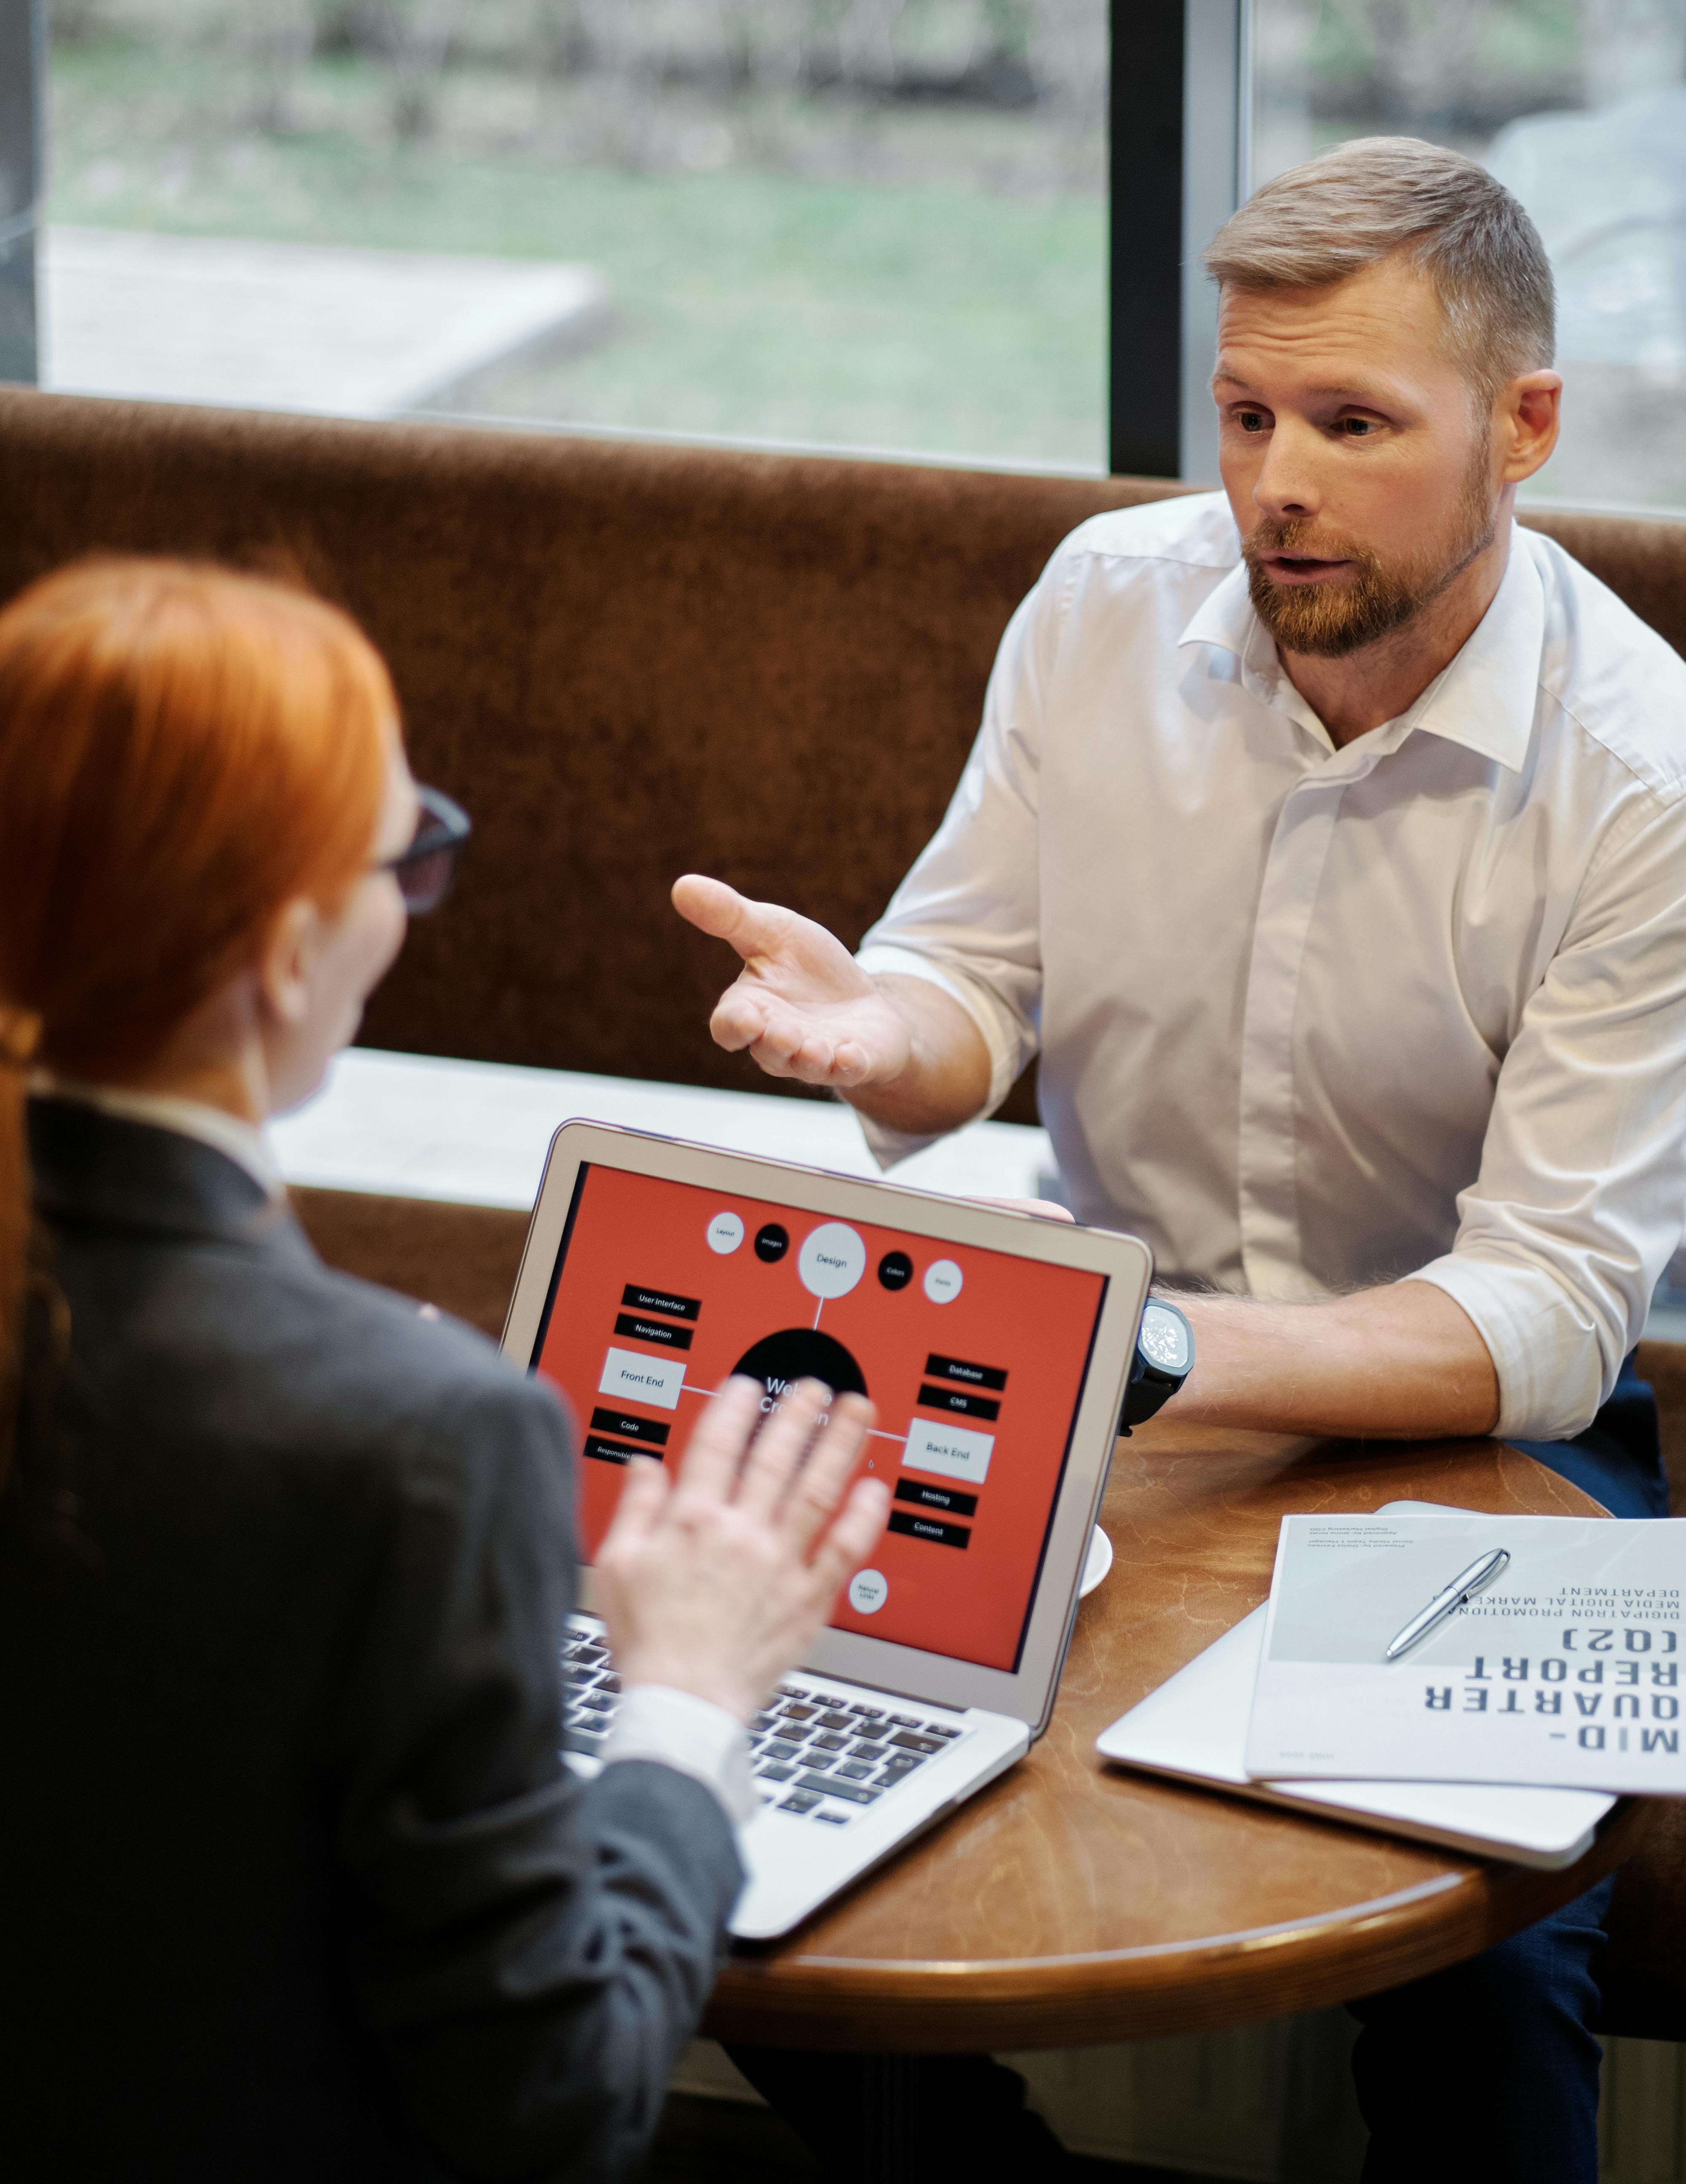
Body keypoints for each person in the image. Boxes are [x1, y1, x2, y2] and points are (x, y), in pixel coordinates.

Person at [674, 138, 1686, 2181]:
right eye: (1244, 414)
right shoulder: (1102, 605)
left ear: (1525, 425)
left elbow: (1553, 1316)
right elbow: (966, 974)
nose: (1272, 482)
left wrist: (1125, 1358)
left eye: (1350, 422)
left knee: (1486, 1991)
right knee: (727, 1816)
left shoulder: (1640, 776)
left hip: (1474, 1437)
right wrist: (888, 1032)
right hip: (1112, 1379)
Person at [0, 556, 889, 2182]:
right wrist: (687, 1700)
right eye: (405, 857)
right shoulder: (420, 1441)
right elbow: (550, 2114)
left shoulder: (378, 1425)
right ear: (283, 954)